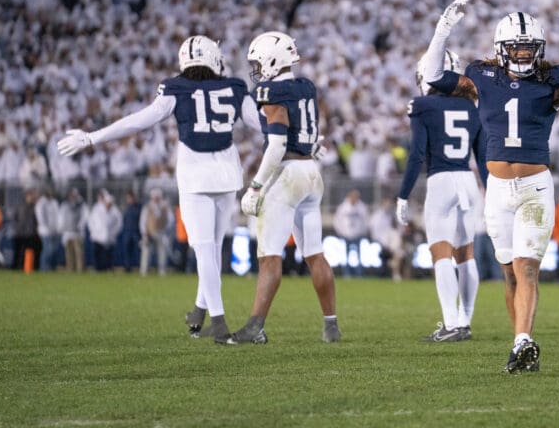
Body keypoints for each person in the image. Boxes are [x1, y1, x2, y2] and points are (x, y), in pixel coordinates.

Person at [422, 0, 559, 373]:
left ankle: (524, 340)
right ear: (501, 48)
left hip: (534, 188)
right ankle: (518, 343)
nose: (523, 55)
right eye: (516, 48)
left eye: (528, 48)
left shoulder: (551, 81)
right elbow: (432, 76)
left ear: (539, 50)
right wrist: (442, 30)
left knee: (525, 269)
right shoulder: (481, 77)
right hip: (497, 190)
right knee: (508, 272)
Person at [58, 35, 259, 342]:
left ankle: (218, 324)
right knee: (212, 250)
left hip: (196, 175)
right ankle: (199, 311)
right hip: (228, 175)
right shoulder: (234, 87)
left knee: (205, 251)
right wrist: (301, 140)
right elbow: (261, 124)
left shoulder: (175, 88)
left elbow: (137, 121)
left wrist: (92, 137)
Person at [229, 31, 341, 345]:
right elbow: (305, 130)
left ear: (272, 60)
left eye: (258, 62)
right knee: (315, 254)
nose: (256, 68)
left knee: (269, 256)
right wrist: (310, 146)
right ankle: (331, 326)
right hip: (311, 172)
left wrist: (256, 186)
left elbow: (277, 143)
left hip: (287, 174)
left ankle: (255, 328)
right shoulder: (305, 86)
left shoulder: (271, 90)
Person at [396, 49, 483, 342]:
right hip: (467, 181)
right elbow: (482, 156)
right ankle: (465, 322)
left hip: (442, 181)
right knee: (466, 254)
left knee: (440, 253)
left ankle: (451, 323)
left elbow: (417, 154)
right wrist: (490, 188)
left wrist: (403, 195)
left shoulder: (423, 105)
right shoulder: (471, 105)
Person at [333, 189, 369, 278]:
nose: (354, 198)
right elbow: (337, 220)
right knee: (345, 255)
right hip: (345, 235)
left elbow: (366, 221)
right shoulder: (343, 207)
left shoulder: (362, 207)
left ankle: (359, 274)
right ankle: (346, 274)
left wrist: (362, 232)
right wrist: (341, 232)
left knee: (359, 255)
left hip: (358, 235)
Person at [139, 188, 173, 276]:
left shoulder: (165, 206)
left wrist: (166, 230)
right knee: (146, 252)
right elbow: (143, 221)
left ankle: (162, 271)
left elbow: (170, 220)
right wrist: (144, 232)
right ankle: (144, 271)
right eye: (154, 197)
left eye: (157, 197)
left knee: (162, 253)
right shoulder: (147, 207)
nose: (156, 199)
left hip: (161, 233)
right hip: (149, 233)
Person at [87, 190, 122, 271]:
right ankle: (98, 269)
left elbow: (119, 224)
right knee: (97, 254)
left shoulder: (115, 211)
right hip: (97, 237)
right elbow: (91, 222)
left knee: (108, 255)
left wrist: (114, 233)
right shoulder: (97, 209)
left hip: (110, 237)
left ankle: (108, 268)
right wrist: (94, 232)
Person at [57, 188, 87, 272]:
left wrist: (80, 226)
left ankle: (80, 269)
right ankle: (70, 269)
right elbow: (61, 217)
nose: (73, 197)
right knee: (69, 253)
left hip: (77, 232)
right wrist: (61, 228)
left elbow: (84, 217)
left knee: (79, 253)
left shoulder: (81, 205)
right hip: (67, 232)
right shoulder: (65, 205)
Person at [12, 189, 40, 271]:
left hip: (31, 234)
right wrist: (17, 228)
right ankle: (16, 267)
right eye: (30, 196)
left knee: (30, 252)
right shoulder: (20, 206)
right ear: (26, 196)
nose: (31, 197)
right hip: (20, 233)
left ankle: (29, 267)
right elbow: (15, 218)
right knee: (18, 252)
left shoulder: (36, 207)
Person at [116, 191, 142, 273]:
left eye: (130, 198)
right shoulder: (126, 208)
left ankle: (140, 267)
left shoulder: (139, 207)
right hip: (127, 232)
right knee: (127, 251)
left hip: (136, 232)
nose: (129, 200)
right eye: (128, 198)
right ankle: (127, 267)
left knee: (138, 251)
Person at [35, 189, 60, 271]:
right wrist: (46, 227)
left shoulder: (54, 202)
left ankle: (52, 267)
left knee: (54, 250)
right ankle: (44, 267)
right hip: (45, 231)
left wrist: (58, 227)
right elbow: (41, 217)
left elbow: (58, 216)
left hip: (55, 230)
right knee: (47, 249)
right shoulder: (41, 203)